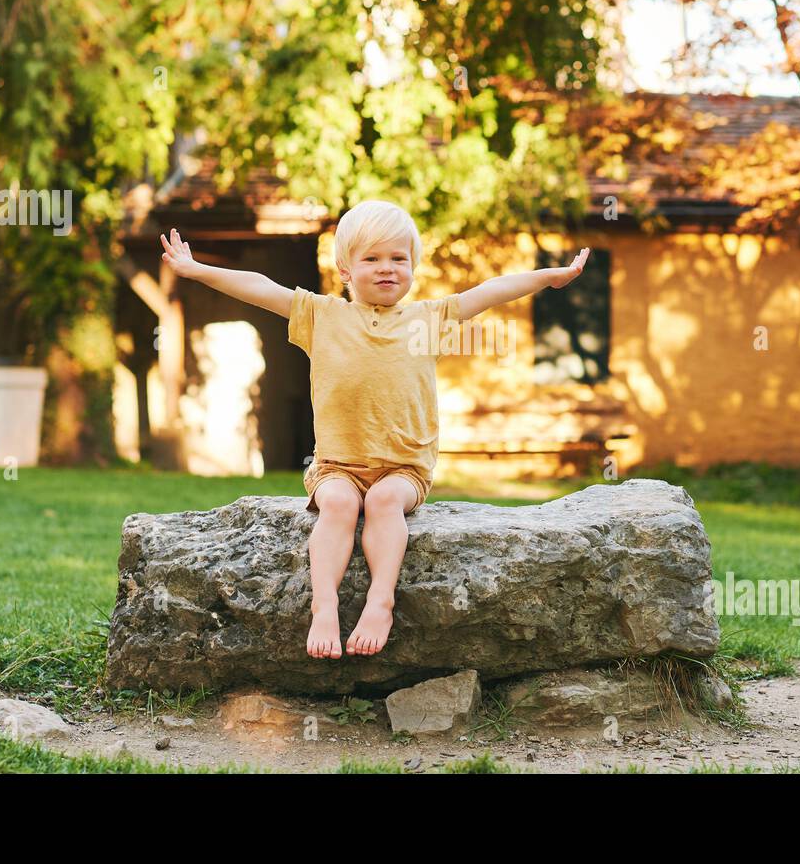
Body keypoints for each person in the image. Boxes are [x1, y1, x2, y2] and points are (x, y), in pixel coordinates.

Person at [160, 199, 589, 659]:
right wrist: (197, 269)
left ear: (413, 266)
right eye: (372, 259)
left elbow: (491, 290)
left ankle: (380, 601)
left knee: (384, 502)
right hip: (337, 466)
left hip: (403, 468)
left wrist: (548, 277)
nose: (387, 269)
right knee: (340, 505)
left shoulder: (430, 318)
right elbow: (260, 288)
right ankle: (324, 606)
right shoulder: (321, 316)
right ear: (345, 269)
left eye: (398, 259)